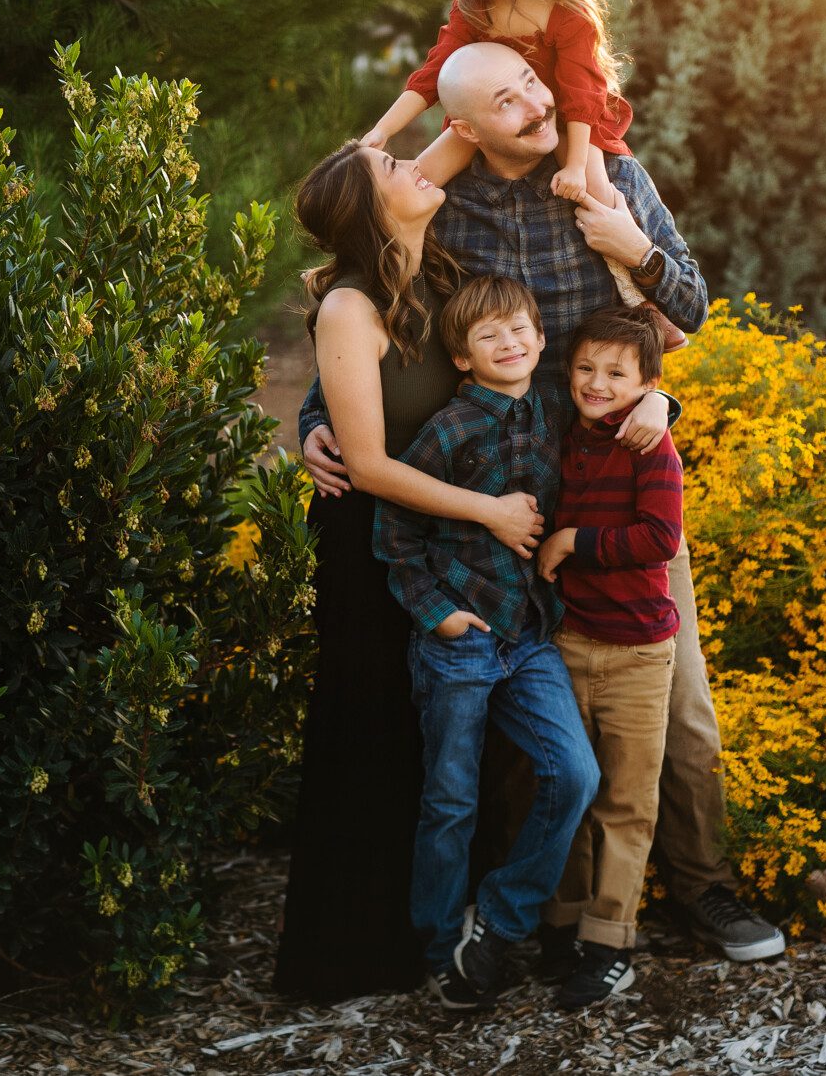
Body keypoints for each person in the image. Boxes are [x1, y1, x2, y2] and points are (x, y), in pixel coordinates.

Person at [300, 40, 786, 964]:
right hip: (507, 498)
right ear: (466, 128)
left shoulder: (612, 175)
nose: (533, 103)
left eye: (533, 83)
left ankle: (702, 885)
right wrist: (317, 420)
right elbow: (379, 309)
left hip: (619, 475)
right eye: (506, 99)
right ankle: (542, 915)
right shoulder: (446, 206)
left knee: (677, 701)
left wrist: (637, 267)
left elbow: (689, 309)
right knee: (529, 723)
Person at [274, 132, 551, 1002]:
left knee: (438, 742)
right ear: (371, 210)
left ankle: (441, 932)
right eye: (393, 168)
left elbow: (463, 124)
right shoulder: (350, 307)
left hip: (439, 543)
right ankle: (355, 951)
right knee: (373, 733)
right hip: (371, 545)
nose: (413, 166)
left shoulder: (433, 273)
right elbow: (367, 464)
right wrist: (490, 511)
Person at [373, 275, 598, 1010]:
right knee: (450, 800)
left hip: (529, 634)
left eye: (519, 328)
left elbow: (621, 394)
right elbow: (394, 531)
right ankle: (442, 951)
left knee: (575, 774)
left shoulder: (555, 406)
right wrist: (436, 612)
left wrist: (663, 402)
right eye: (488, 334)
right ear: (462, 358)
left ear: (541, 336)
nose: (509, 342)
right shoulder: (448, 429)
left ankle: (497, 924)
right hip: (461, 639)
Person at [361, 0, 683, 347]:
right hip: (491, 122)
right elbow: (433, 74)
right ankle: (363, 271)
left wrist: (575, 166)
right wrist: (382, 130)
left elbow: (581, 94)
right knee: (412, 184)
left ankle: (642, 303)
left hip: (572, 121)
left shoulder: (567, 14)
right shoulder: (474, 12)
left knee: (598, 194)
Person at [533, 306, 685, 1008]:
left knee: (625, 801)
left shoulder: (650, 446)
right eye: (586, 368)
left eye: (617, 374)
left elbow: (659, 537)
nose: (597, 383)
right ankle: (561, 926)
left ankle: (609, 943)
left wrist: (574, 542)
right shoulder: (567, 437)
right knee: (567, 789)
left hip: (637, 654)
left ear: (648, 384)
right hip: (569, 641)